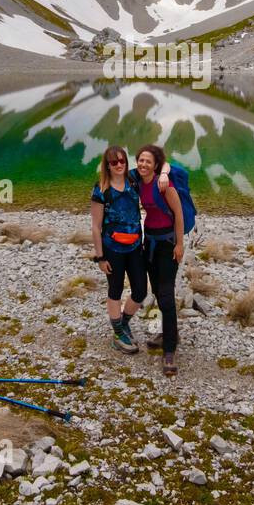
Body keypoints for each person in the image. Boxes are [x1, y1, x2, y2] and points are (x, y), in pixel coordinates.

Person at [133, 144, 184, 376]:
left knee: (166, 294)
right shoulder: (138, 179)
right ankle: (168, 332)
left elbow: (179, 214)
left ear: (155, 165)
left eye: (148, 162)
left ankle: (170, 350)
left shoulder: (164, 185)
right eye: (140, 160)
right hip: (149, 242)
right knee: (157, 290)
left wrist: (180, 244)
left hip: (166, 244)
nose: (143, 164)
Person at [90, 145, 146, 353]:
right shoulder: (101, 189)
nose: (119, 165)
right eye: (114, 162)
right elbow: (96, 227)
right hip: (112, 248)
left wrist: (166, 173)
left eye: (122, 161)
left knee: (140, 290)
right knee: (115, 290)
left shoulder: (134, 180)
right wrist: (100, 257)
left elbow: (160, 164)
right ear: (107, 165)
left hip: (135, 246)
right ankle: (118, 334)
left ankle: (123, 323)